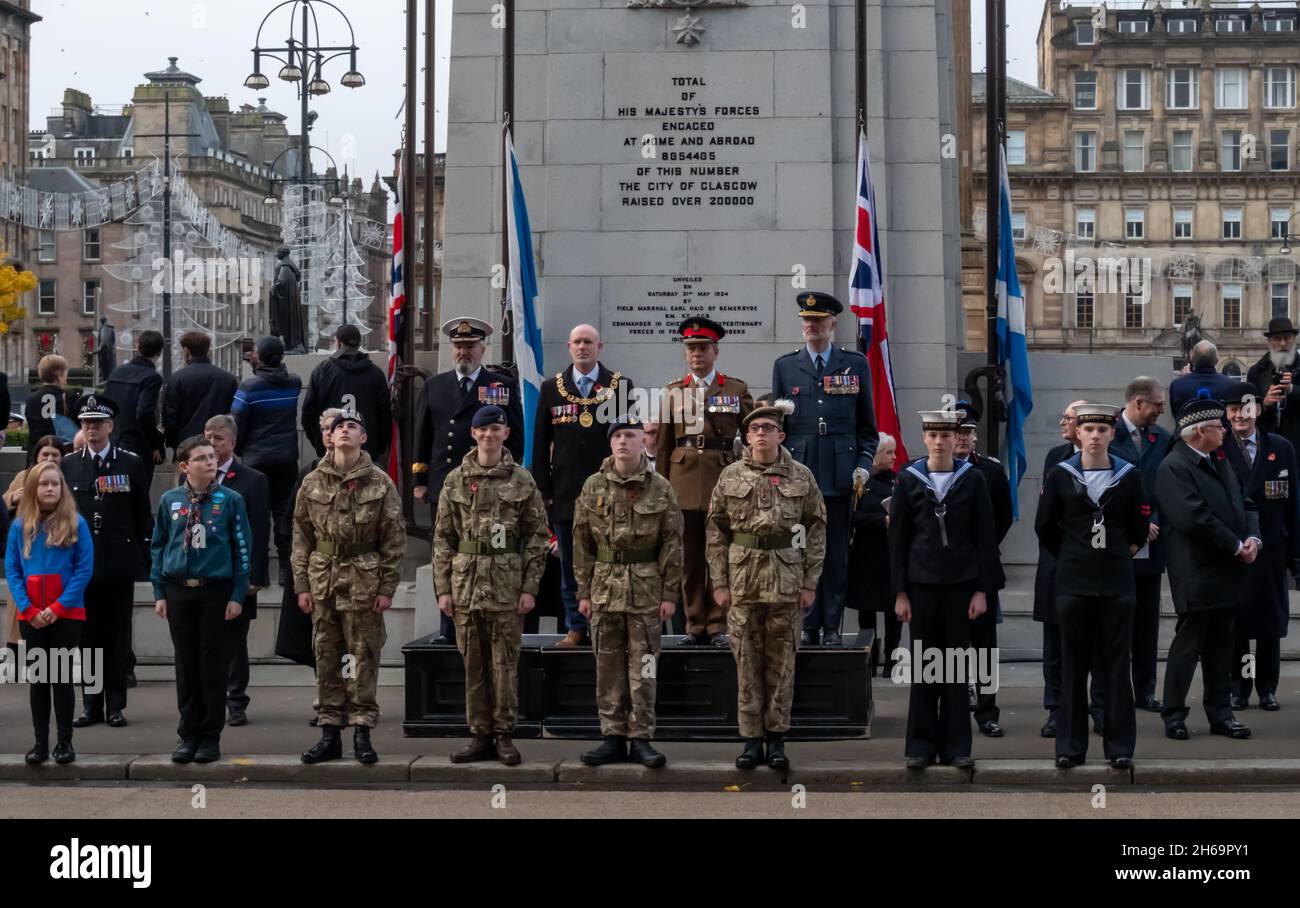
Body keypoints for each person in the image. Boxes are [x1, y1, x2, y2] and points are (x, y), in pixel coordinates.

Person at [706, 398, 826, 771]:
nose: (761, 434)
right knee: (746, 663)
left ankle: (777, 739)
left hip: (787, 582)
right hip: (743, 582)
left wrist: (810, 582)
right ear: (746, 436)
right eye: (755, 429)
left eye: (768, 428)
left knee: (782, 663)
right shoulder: (730, 477)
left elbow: (816, 528)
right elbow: (715, 532)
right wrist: (719, 582)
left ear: (781, 435)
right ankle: (750, 740)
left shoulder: (801, 476)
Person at [1035, 404, 1149, 770]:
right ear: (1078, 434)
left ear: (1113, 434)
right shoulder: (1060, 475)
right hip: (1073, 584)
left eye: (1103, 429)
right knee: (1073, 666)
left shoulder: (1129, 476)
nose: (1096, 435)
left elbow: (1138, 528)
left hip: (1116, 583)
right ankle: (1069, 746)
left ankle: (1119, 747)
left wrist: (1115, 554)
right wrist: (1074, 553)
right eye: (1089, 429)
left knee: (1116, 667)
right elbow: (1046, 527)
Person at [433, 406, 549, 766]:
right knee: (474, 664)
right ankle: (478, 734)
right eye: (483, 430)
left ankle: (504, 735)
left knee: (505, 664)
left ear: (505, 434)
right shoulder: (455, 480)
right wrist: (443, 589)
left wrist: (530, 587)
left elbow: (536, 537)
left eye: (496, 429)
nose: (489, 435)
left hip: (506, 586)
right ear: (473, 434)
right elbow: (443, 537)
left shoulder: (522, 479)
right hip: (466, 584)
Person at [295, 412, 406, 765]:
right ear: (329, 435)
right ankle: (329, 733)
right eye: (338, 426)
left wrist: (387, 587)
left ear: (363, 438)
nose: (344, 430)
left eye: (352, 426)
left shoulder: (380, 483)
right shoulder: (312, 482)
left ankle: (362, 732)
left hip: (364, 583)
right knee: (327, 657)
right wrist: (302, 584)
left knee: (361, 658)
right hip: (324, 581)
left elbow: (393, 539)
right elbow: (301, 536)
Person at [891, 410, 999, 770]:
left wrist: (983, 590)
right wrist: (900, 593)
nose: (940, 442)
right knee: (924, 667)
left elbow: (985, 538)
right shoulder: (909, 479)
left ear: (957, 439)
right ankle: (921, 745)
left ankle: (956, 746)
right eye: (933, 436)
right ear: (925, 438)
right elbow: (899, 540)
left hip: (961, 586)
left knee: (954, 666)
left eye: (946, 436)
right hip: (920, 587)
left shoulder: (973, 479)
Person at [572, 419, 683, 767]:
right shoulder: (593, 486)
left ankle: (641, 737)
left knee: (645, 666)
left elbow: (672, 543)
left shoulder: (660, 487)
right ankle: (612, 736)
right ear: (610, 445)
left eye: (630, 436)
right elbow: (581, 543)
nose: (623, 442)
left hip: (646, 588)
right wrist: (584, 592)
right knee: (607, 665)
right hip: (604, 588)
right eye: (617, 436)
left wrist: (669, 593)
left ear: (642, 442)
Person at [771, 292, 878, 647]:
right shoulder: (786, 366)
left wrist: (863, 467)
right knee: (799, 553)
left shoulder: (855, 364)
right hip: (799, 477)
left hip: (838, 476)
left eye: (818, 322)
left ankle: (832, 625)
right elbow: (778, 431)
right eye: (807, 321)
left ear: (833, 324)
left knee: (833, 556)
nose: (811, 328)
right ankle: (808, 624)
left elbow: (867, 430)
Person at [413, 318, 524, 645]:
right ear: (452, 349)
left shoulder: (498, 384)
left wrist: (510, 474)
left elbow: (514, 433)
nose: (464, 351)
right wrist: (420, 478)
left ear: (482, 349)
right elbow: (423, 435)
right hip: (446, 485)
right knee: (446, 553)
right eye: (459, 346)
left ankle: (489, 621)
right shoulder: (436, 385)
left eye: (470, 346)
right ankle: (448, 627)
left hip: (491, 484)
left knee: (489, 553)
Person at [1156, 398, 1260, 742]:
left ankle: (1221, 714)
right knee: (1188, 646)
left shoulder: (1218, 460)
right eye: (1218, 427)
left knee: (1221, 648)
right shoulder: (1174, 467)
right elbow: (1193, 518)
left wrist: (1253, 539)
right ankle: (1174, 714)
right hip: (1197, 572)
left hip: (1227, 571)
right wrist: (1235, 545)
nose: (1224, 430)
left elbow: (1244, 502)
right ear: (1200, 432)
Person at [532, 324, 635, 647]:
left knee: (610, 562)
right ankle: (576, 627)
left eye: (588, 342)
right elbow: (539, 444)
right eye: (577, 342)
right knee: (571, 570)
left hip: (610, 495)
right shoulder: (551, 388)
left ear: (599, 347)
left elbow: (629, 440)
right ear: (568, 346)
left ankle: (609, 626)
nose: (582, 347)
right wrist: (543, 491)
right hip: (566, 494)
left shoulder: (619, 386)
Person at [151, 436, 252, 764]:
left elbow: (242, 549)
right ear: (184, 466)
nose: (210, 462)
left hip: (215, 590)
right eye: (202, 458)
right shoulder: (170, 500)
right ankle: (188, 733)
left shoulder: (230, 499)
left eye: (212, 456)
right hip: (179, 589)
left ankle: (210, 735)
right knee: (186, 664)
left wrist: (238, 594)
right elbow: (159, 546)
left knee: (212, 664)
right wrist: (159, 591)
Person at [656, 317, 752, 646]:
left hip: (721, 478)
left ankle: (718, 623)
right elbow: (664, 445)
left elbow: (751, 436)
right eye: (691, 349)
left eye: (703, 348)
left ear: (716, 351)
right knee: (690, 557)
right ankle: (694, 623)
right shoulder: (672, 392)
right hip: (682, 480)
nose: (697, 354)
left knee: (720, 555)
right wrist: (663, 488)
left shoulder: (735, 389)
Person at [63, 395, 151, 729]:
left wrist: (137, 554)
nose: (91, 429)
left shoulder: (129, 463)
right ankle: (90, 704)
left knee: (116, 636)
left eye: (97, 424)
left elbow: (142, 512)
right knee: (87, 637)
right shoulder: (70, 464)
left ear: (110, 426)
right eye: (86, 424)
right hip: (82, 566)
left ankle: (115, 705)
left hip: (117, 563)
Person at [5, 462, 94, 765]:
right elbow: (13, 571)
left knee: (62, 679)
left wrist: (57, 608)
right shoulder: (19, 526)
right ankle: (40, 743)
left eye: (55, 483)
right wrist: (28, 610)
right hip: (31, 616)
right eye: (43, 484)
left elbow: (83, 571)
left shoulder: (76, 523)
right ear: (33, 488)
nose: (50, 489)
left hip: (66, 615)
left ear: (62, 487)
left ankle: (65, 743)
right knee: (40, 680)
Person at [1221, 381, 1297, 711]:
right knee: (1238, 625)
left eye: (1246, 407)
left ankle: (1267, 687)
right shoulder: (1218, 448)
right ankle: (1240, 687)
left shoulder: (1280, 447)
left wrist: (1295, 552)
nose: (1240, 414)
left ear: (1258, 409)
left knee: (1268, 623)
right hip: (1234, 548)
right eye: (1234, 408)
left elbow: (1293, 502)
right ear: (1226, 413)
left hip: (1271, 548)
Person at [1107, 377, 1171, 714]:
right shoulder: (1106, 433)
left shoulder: (1162, 438)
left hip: (1152, 542)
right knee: (1116, 625)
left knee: (1147, 624)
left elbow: (1168, 483)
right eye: (1158, 404)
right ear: (1138, 403)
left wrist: (1152, 520)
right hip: (1117, 546)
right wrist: (1135, 525)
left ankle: (1145, 691)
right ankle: (1113, 692)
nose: (1162, 409)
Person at [203, 415, 271, 727]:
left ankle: (236, 700)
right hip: (201, 573)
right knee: (204, 640)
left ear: (232, 443)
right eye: (208, 437)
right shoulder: (193, 477)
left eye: (218, 439)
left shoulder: (251, 479)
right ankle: (208, 698)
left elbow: (258, 529)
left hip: (235, 573)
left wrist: (255, 575)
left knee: (234, 641)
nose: (212, 444)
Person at [954, 400, 1012, 738]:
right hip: (947, 573)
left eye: (967, 432)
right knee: (952, 644)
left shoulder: (989, 470)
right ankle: (958, 703)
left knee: (984, 645)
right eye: (957, 431)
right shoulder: (927, 470)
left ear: (975, 436)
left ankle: (988, 711)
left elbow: (1003, 518)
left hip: (982, 570)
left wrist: (982, 553)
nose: (962, 438)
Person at [1032, 399, 1085, 737]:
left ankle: (1097, 707)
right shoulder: (1056, 457)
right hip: (1055, 563)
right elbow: (1045, 517)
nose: (1063, 423)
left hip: (1089, 567)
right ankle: (1056, 708)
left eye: (1069, 419)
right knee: (1054, 645)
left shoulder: (1114, 462)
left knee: (1091, 645)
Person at [232, 336, 303, 587]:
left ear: (259, 356)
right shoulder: (294, 383)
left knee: (256, 517)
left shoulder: (249, 387)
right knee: (284, 513)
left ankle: (258, 573)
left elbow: (237, 422)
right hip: (286, 457)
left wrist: (241, 450)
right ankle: (286, 569)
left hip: (256, 459)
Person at [301, 325, 392, 464]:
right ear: (359, 344)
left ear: (338, 343)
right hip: (366, 450)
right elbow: (385, 415)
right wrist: (378, 447)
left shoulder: (323, 371)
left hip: (333, 449)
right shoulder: (375, 373)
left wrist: (322, 444)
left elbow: (308, 414)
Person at [848, 433, 900, 674]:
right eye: (888, 452)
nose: (893, 457)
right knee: (866, 610)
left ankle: (891, 659)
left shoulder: (899, 483)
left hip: (890, 556)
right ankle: (868, 659)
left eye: (893, 452)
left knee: (893, 611)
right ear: (876, 455)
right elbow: (853, 517)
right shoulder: (861, 484)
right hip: (866, 556)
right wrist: (883, 521)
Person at [102, 329, 165, 488]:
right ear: (159, 352)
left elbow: (105, 405)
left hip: (112, 442)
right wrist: (155, 444)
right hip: (137, 446)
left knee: (114, 491)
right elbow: (144, 413)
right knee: (138, 494)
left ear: (137, 346)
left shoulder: (117, 372)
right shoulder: (152, 377)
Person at [163, 331, 240, 455]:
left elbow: (171, 418)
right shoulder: (228, 379)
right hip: (218, 446)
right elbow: (235, 414)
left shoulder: (177, 378)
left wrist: (172, 443)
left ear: (186, 351)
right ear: (207, 350)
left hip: (187, 446)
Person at [1169, 340, 1234, 415]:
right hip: (1221, 426)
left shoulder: (1177, 385)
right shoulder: (1231, 385)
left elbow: (1175, 414)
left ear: (1192, 360)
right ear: (1217, 360)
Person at [24, 355, 76, 447]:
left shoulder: (31, 399)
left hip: (37, 451)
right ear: (59, 373)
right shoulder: (69, 398)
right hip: (60, 451)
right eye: (65, 373)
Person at [6, 435, 67, 512]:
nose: (50, 459)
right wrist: (12, 498)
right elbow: (3, 503)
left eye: (55, 455)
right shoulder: (23, 477)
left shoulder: (69, 477)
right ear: (36, 456)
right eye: (45, 454)